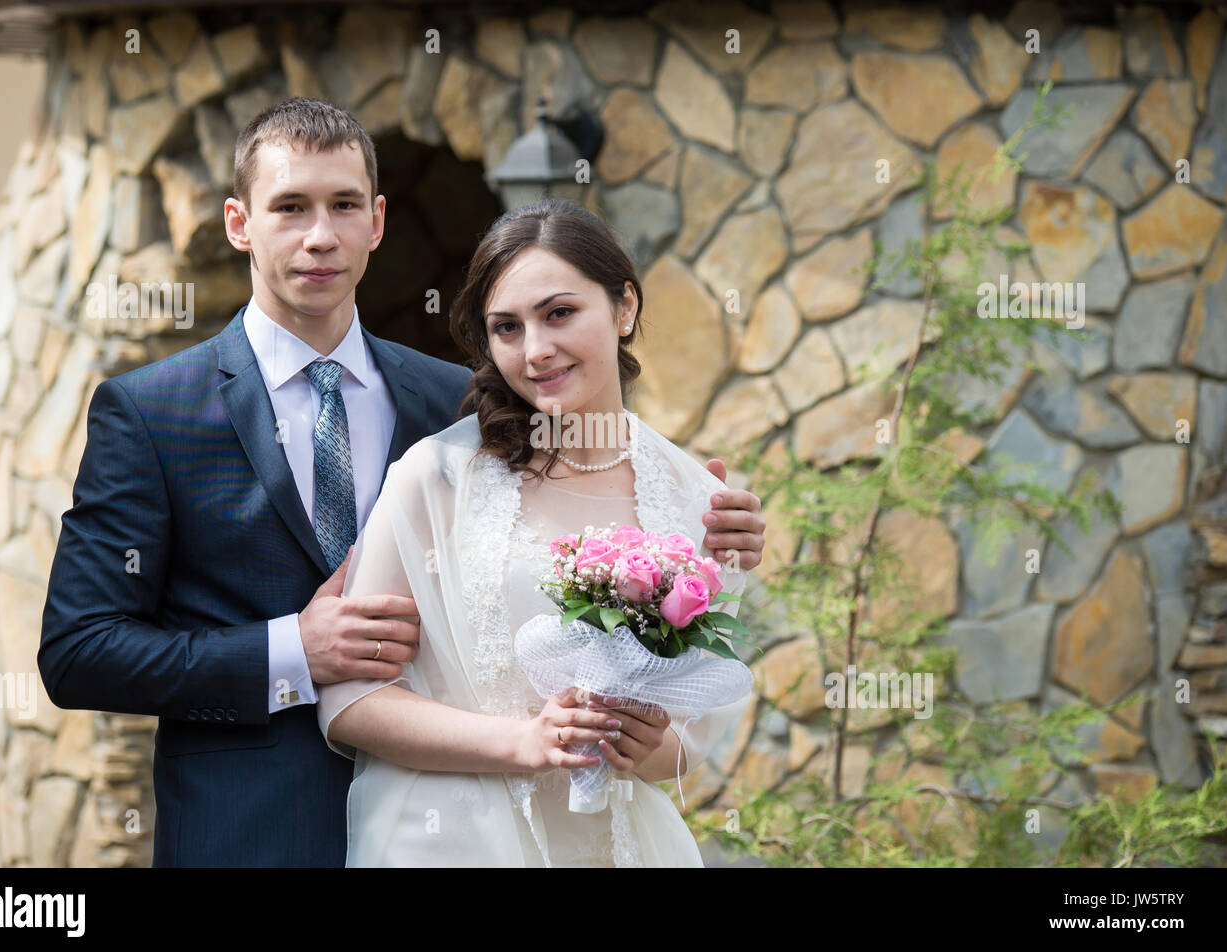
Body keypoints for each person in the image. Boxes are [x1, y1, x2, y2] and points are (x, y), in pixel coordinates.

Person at [38, 98, 766, 866]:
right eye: (290, 206)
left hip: (476, 831)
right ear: (237, 223)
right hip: (252, 832)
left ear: (377, 221)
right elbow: (80, 650)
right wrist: (292, 650)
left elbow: (580, 459)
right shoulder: (151, 412)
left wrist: (693, 517)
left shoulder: (459, 402)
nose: (321, 234)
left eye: (344, 205)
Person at [317, 199, 756, 866]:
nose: (537, 349)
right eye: (507, 327)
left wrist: (645, 746)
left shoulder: (694, 494)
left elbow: (684, 744)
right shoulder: (435, 478)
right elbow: (351, 702)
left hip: (618, 845)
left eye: (559, 313)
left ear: (624, 307)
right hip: (453, 843)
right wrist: (524, 741)